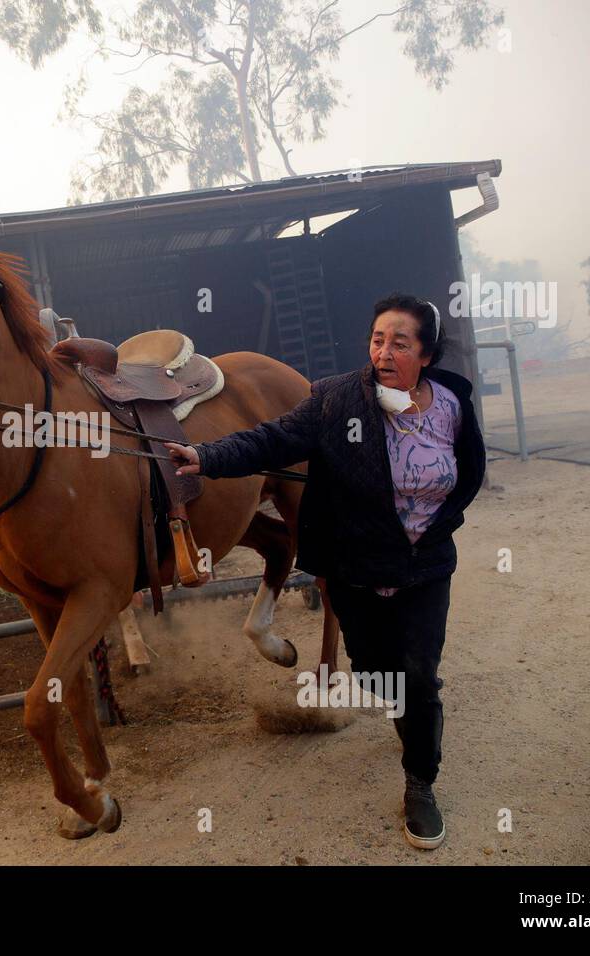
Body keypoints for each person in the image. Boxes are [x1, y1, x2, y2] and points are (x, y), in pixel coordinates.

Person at [166, 292, 486, 850]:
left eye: (401, 343)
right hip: (356, 567)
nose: (385, 352)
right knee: (372, 671)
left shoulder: (452, 406)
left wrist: (439, 523)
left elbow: (470, 471)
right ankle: (406, 701)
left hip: (424, 565)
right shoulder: (336, 400)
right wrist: (208, 456)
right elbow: (273, 438)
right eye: (378, 340)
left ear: (427, 355)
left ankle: (419, 785)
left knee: (416, 673)